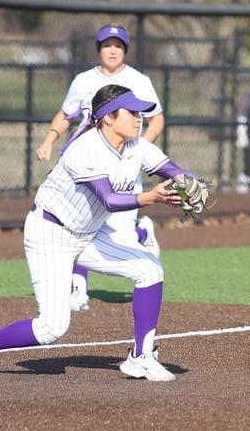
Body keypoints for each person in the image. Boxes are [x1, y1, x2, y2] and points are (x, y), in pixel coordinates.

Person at [0, 84, 201, 382]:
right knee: (51, 328)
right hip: (50, 232)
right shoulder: (86, 149)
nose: (139, 118)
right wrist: (151, 197)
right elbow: (108, 199)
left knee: (149, 269)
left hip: (88, 233)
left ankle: (141, 357)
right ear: (108, 117)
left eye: (140, 113)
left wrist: (189, 181)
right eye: (132, 112)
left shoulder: (136, 147)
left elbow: (174, 171)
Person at [36, 24, 165, 311]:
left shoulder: (139, 80)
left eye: (118, 45)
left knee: (121, 237)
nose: (112, 50)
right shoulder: (83, 80)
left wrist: (139, 148)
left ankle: (141, 232)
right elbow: (66, 114)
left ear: (125, 50)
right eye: (107, 45)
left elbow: (157, 119)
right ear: (99, 49)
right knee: (77, 224)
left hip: (122, 168)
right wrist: (48, 140)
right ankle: (78, 290)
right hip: (88, 168)